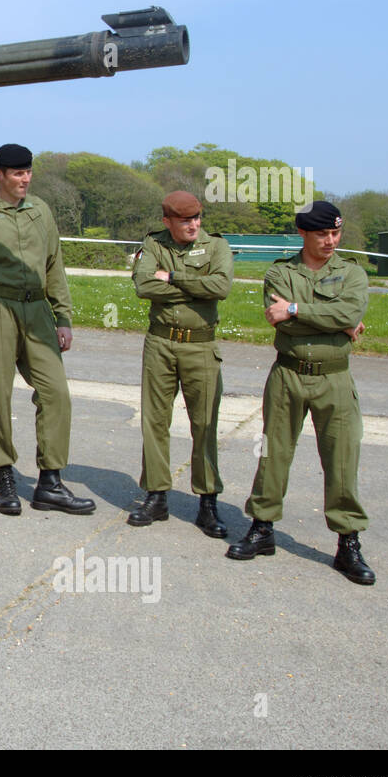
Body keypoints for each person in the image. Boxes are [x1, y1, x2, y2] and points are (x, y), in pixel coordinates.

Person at [229, 200, 375, 585]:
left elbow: (349, 313)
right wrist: (332, 321)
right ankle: (262, 528)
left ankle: (348, 543)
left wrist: (295, 309)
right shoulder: (280, 272)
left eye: (335, 233)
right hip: (288, 375)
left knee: (342, 459)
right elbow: (284, 324)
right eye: (322, 234)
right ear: (303, 234)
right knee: (273, 453)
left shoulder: (352, 273)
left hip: (335, 378)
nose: (331, 241)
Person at [0, 143, 94, 516]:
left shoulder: (40, 211)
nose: (24, 180)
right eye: (17, 174)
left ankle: (50, 482)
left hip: (38, 311)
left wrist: (63, 317)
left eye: (28, 173)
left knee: (56, 393)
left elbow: (54, 266)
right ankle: (4, 477)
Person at [127, 191, 232, 536]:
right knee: (154, 421)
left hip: (201, 346)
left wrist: (171, 278)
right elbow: (143, 286)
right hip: (160, 342)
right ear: (167, 221)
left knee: (204, 424)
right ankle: (156, 495)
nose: (193, 225)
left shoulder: (216, 246)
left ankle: (208, 502)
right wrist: (196, 288)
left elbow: (220, 286)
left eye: (197, 218)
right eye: (185, 220)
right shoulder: (154, 244)